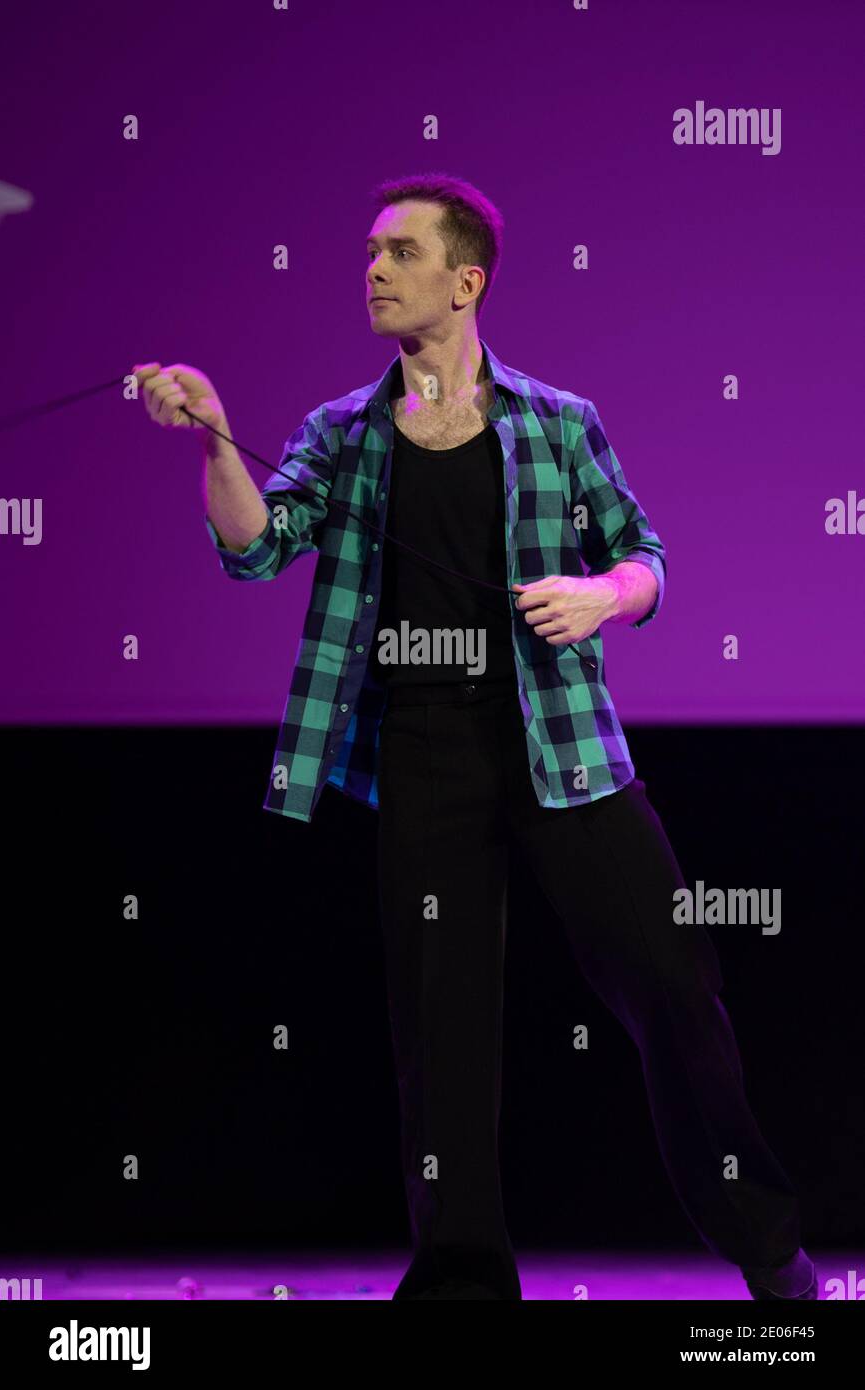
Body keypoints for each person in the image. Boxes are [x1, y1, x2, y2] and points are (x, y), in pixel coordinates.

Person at [132, 171, 816, 1303]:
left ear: (465, 281)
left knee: (669, 985)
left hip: (563, 746)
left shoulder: (556, 422)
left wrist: (606, 595)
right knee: (438, 1029)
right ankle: (460, 1279)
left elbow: (648, 559)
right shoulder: (342, 435)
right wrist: (210, 441)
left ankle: (768, 1250)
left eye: (397, 253)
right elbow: (257, 546)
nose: (371, 271)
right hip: (422, 753)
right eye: (365, 252)